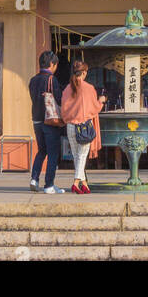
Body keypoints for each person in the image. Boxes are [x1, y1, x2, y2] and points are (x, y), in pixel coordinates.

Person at [60, 60, 105, 193]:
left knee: (76, 155)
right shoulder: (89, 88)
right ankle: (76, 182)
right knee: (82, 156)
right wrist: (101, 101)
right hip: (84, 127)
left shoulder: (67, 89)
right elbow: (94, 108)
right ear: (84, 73)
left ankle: (84, 183)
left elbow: (64, 110)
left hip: (70, 126)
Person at [29, 50, 66, 194]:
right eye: (55, 64)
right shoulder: (51, 79)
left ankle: (34, 179)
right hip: (49, 120)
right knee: (52, 153)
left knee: (41, 150)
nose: (56, 67)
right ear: (51, 64)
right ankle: (49, 184)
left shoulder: (33, 80)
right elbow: (58, 99)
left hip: (36, 120)